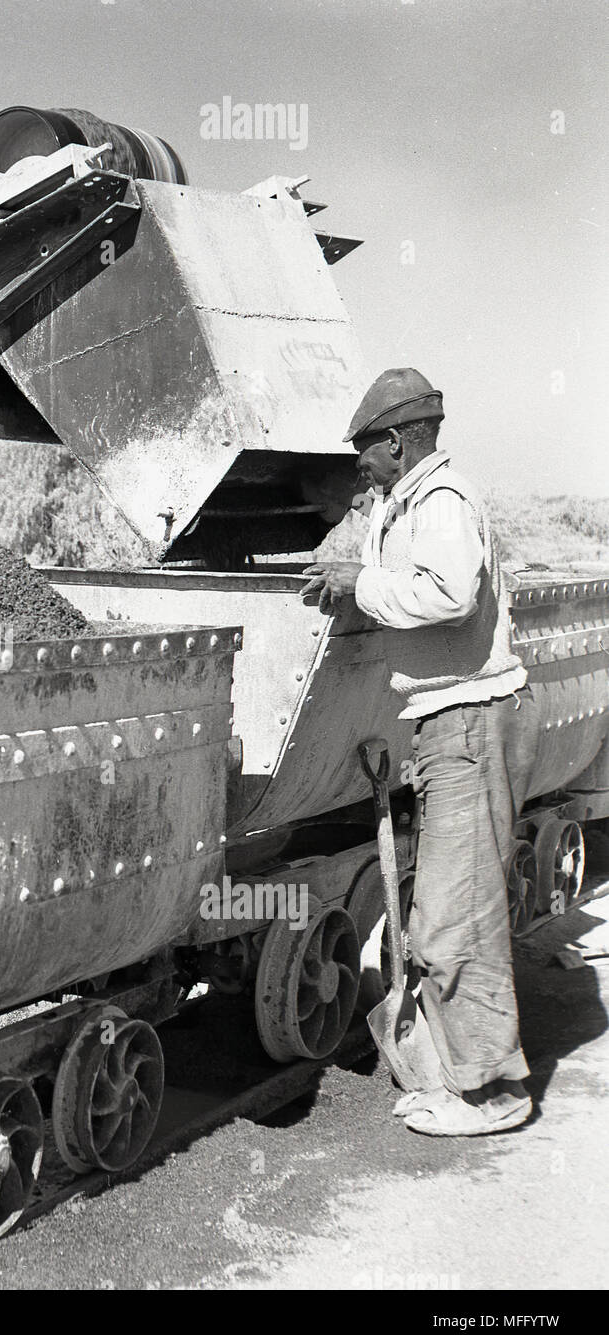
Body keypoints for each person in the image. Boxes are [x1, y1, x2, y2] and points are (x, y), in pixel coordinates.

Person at [302, 367, 539, 1136]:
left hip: (469, 724)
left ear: (397, 443)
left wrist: (363, 583)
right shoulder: (411, 499)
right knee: (446, 912)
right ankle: (460, 1075)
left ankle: (493, 1092)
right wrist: (351, 561)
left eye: (364, 452)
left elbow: (449, 594)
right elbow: (388, 563)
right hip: (451, 726)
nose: (358, 468)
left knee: (455, 919)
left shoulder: (441, 501)